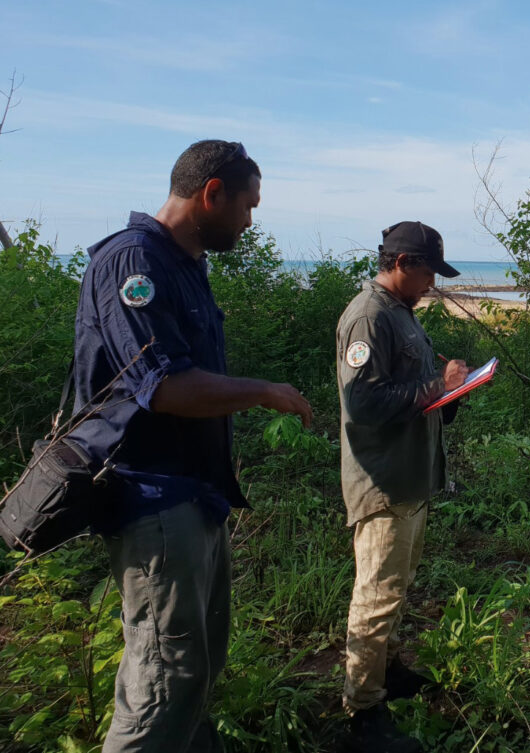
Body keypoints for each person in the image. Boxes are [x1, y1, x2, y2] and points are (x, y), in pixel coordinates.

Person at [69, 140, 312, 752]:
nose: (250, 221)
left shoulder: (183, 265)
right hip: (152, 498)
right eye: (248, 206)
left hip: (196, 497)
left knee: (197, 663)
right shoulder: (134, 265)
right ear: (212, 194)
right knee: (162, 680)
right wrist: (262, 391)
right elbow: (166, 387)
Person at [336, 221, 468, 752]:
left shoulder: (401, 314)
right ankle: (361, 712)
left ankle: (387, 672)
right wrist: (439, 385)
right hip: (385, 480)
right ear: (402, 263)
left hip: (411, 477)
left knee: (396, 588)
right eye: (428, 272)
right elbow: (362, 404)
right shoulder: (368, 316)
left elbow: (412, 393)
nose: (432, 283)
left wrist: (452, 390)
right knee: (376, 595)